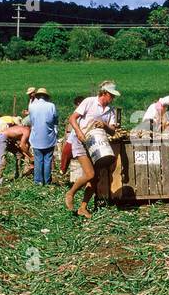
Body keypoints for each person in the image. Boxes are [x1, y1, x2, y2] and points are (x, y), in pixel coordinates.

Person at [65, 81, 120, 218]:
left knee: (95, 179)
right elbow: (72, 118)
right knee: (90, 174)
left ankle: (83, 207)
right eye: (111, 96)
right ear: (104, 93)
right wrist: (78, 132)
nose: (112, 98)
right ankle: (70, 193)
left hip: (97, 145)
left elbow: (113, 131)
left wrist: (104, 125)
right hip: (81, 141)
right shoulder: (89, 102)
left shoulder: (110, 111)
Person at [27, 86, 59, 186]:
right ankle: (47, 181)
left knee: (38, 160)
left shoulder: (32, 106)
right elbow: (55, 119)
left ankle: (38, 181)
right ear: (46, 97)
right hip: (49, 137)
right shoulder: (51, 106)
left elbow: (31, 120)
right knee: (48, 160)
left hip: (36, 137)